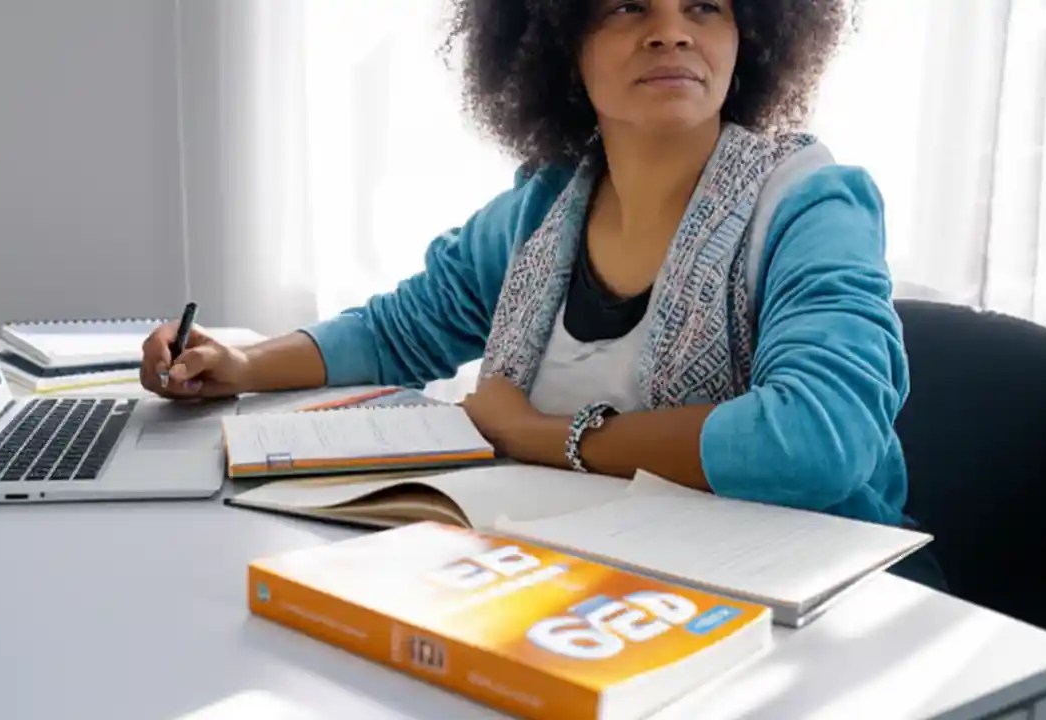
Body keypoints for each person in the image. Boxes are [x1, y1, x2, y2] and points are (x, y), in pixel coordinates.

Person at [141, 1, 920, 547]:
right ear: (559, 47)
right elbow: (399, 329)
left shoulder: (812, 204)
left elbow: (817, 440)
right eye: (627, 7)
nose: (671, 34)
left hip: (808, 607)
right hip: (599, 583)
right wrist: (242, 364)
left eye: (705, 6)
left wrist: (542, 437)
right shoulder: (543, 205)